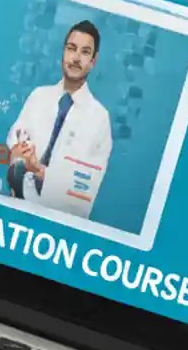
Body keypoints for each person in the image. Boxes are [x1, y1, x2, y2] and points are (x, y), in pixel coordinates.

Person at [6, 20, 113, 217]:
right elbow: (15, 138)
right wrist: (19, 153)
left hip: (61, 219)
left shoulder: (100, 118)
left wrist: (40, 171)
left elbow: (86, 184)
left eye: (85, 52)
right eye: (72, 49)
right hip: (18, 205)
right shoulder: (38, 96)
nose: (76, 58)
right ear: (63, 52)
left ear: (93, 61)